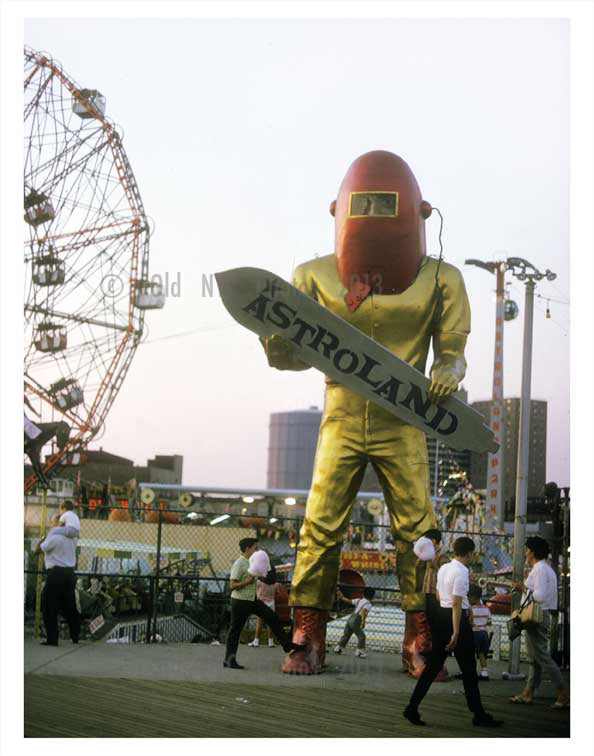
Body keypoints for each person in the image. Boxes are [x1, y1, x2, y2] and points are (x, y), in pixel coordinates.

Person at [260, 151, 471, 675]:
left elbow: (452, 350)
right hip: (343, 417)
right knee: (320, 523)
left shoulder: (442, 279)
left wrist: (450, 366)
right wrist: (275, 339)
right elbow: (288, 354)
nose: (375, 216)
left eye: (385, 205)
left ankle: (417, 635)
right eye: (365, 205)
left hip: (403, 419)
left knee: (417, 532)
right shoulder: (312, 276)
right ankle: (308, 630)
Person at [403, 537, 503, 728]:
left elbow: (441, 595)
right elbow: (457, 602)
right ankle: (478, 714)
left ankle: (412, 706)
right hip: (456, 622)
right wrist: (457, 632)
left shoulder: (445, 568)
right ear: (470, 553)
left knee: (432, 667)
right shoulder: (462, 571)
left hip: (441, 617)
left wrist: (465, 610)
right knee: (468, 669)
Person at [224, 538, 304, 669]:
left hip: (252, 600)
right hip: (240, 601)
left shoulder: (252, 562)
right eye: (255, 548)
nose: (257, 550)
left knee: (272, 616)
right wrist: (247, 582)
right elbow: (232, 585)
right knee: (235, 630)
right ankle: (229, 659)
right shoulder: (240, 563)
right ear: (248, 548)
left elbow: (266, 577)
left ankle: (286, 645)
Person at [509, 536, 569, 708]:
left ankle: (563, 693)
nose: (526, 554)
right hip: (539, 616)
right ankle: (528, 692)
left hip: (536, 617)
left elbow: (539, 596)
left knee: (541, 656)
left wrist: (524, 588)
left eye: (527, 550)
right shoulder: (546, 569)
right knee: (535, 658)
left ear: (533, 552)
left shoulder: (539, 570)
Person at [34, 513, 80, 646]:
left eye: (53, 523)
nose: (51, 525)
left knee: (49, 605)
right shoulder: (72, 539)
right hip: (70, 574)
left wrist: (44, 537)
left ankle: (52, 638)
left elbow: (37, 550)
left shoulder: (54, 537)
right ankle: (75, 635)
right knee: (69, 606)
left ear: (59, 524)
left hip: (56, 574)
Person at [413, 528, 450, 681]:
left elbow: (445, 573)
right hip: (428, 591)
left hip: (437, 594)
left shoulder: (442, 555)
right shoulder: (427, 554)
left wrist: (432, 560)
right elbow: (418, 568)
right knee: (428, 623)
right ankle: (430, 656)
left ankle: (437, 659)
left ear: (434, 541)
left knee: (436, 625)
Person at [334, 586, 375, 658]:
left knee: (347, 634)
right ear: (372, 597)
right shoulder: (368, 604)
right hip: (356, 620)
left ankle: (339, 648)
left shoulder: (359, 600)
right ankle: (359, 651)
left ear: (363, 594)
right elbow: (363, 611)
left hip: (350, 618)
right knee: (362, 636)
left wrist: (341, 596)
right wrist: (363, 622)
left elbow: (348, 601)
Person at [248, 577, 281, 648]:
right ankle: (270, 642)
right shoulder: (276, 584)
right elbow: (277, 593)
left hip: (261, 603)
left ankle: (256, 641)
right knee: (270, 624)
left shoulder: (259, 583)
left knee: (259, 623)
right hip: (271, 604)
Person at [468, 584, 492, 679]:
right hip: (484, 633)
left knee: (470, 654)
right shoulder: (486, 609)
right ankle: (484, 672)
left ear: (473, 597)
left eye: (469, 597)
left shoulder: (471, 609)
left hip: (474, 633)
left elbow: (469, 622)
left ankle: (470, 672)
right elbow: (489, 622)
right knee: (482, 654)